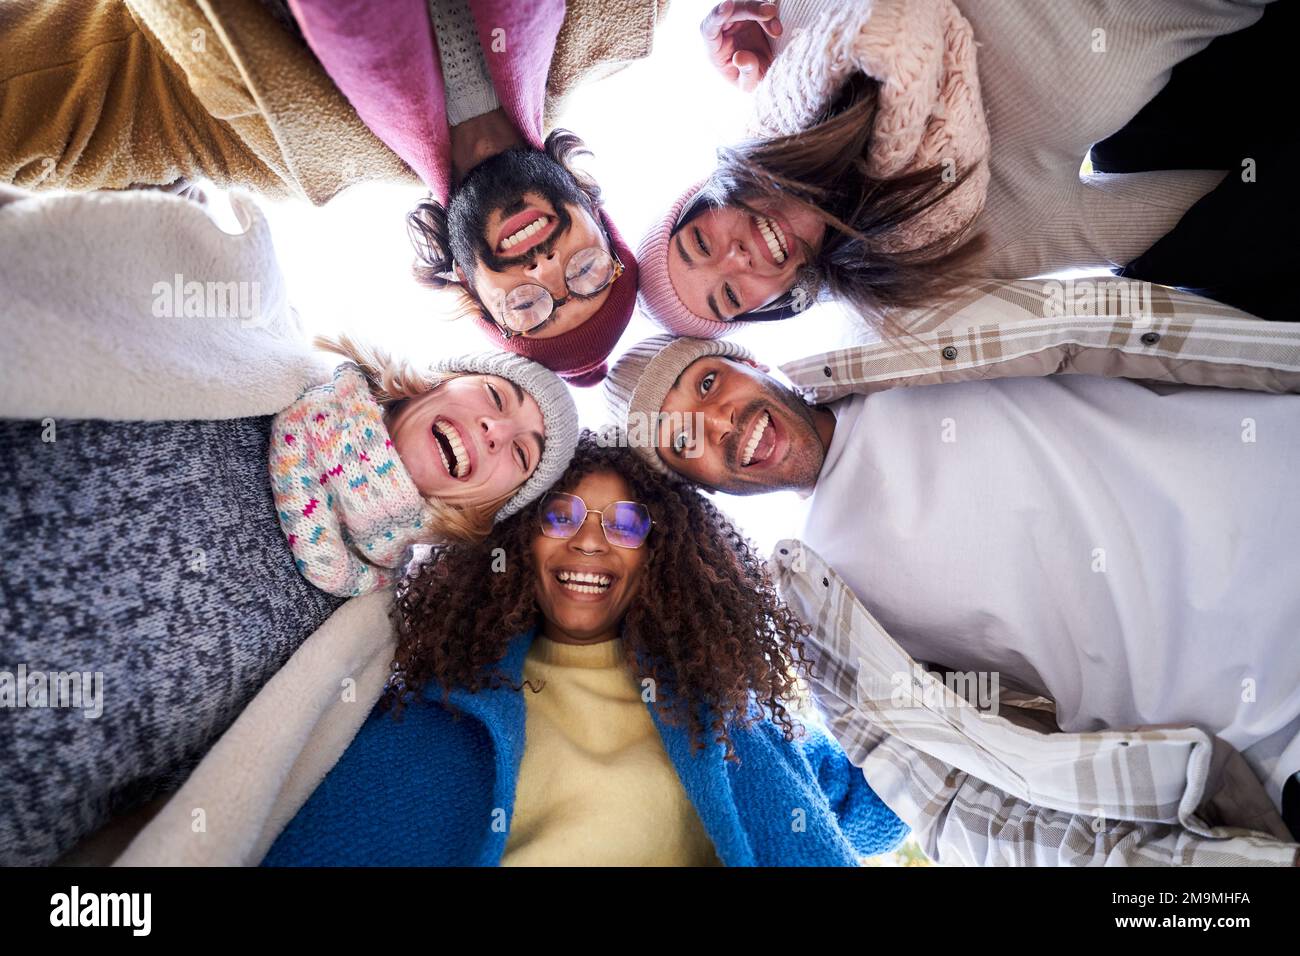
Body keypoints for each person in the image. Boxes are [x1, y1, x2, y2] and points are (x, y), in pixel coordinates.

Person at [600, 280, 1300, 862]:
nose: (719, 422)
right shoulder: (828, 611)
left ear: (750, 360)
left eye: (709, 381)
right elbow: (949, 804)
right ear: (707, 487)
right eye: (684, 441)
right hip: (1267, 733)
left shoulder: (910, 334)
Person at [0, 186, 580, 865]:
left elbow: (192, 807)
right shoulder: (260, 347)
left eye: (519, 453)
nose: (494, 427)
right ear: (439, 383)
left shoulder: (360, 632)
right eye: (495, 395)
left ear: (488, 511)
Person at [114, 433, 911, 866]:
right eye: (561, 517)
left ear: (658, 555)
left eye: (626, 526)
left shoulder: (728, 714)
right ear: (522, 541)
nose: (591, 544)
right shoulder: (418, 694)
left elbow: (885, 803)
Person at [0, 0, 661, 381]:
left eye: (528, 307)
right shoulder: (618, 25)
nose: (547, 271)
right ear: (598, 219)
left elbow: (70, 111)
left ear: (469, 285)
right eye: (587, 273)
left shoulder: (275, 158)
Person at [636, 0, 1284, 339]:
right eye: (729, 297)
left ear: (708, 196)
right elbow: (1196, 213)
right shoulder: (948, 236)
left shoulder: (793, 38)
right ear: (768, 307)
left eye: (701, 243)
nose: (737, 260)